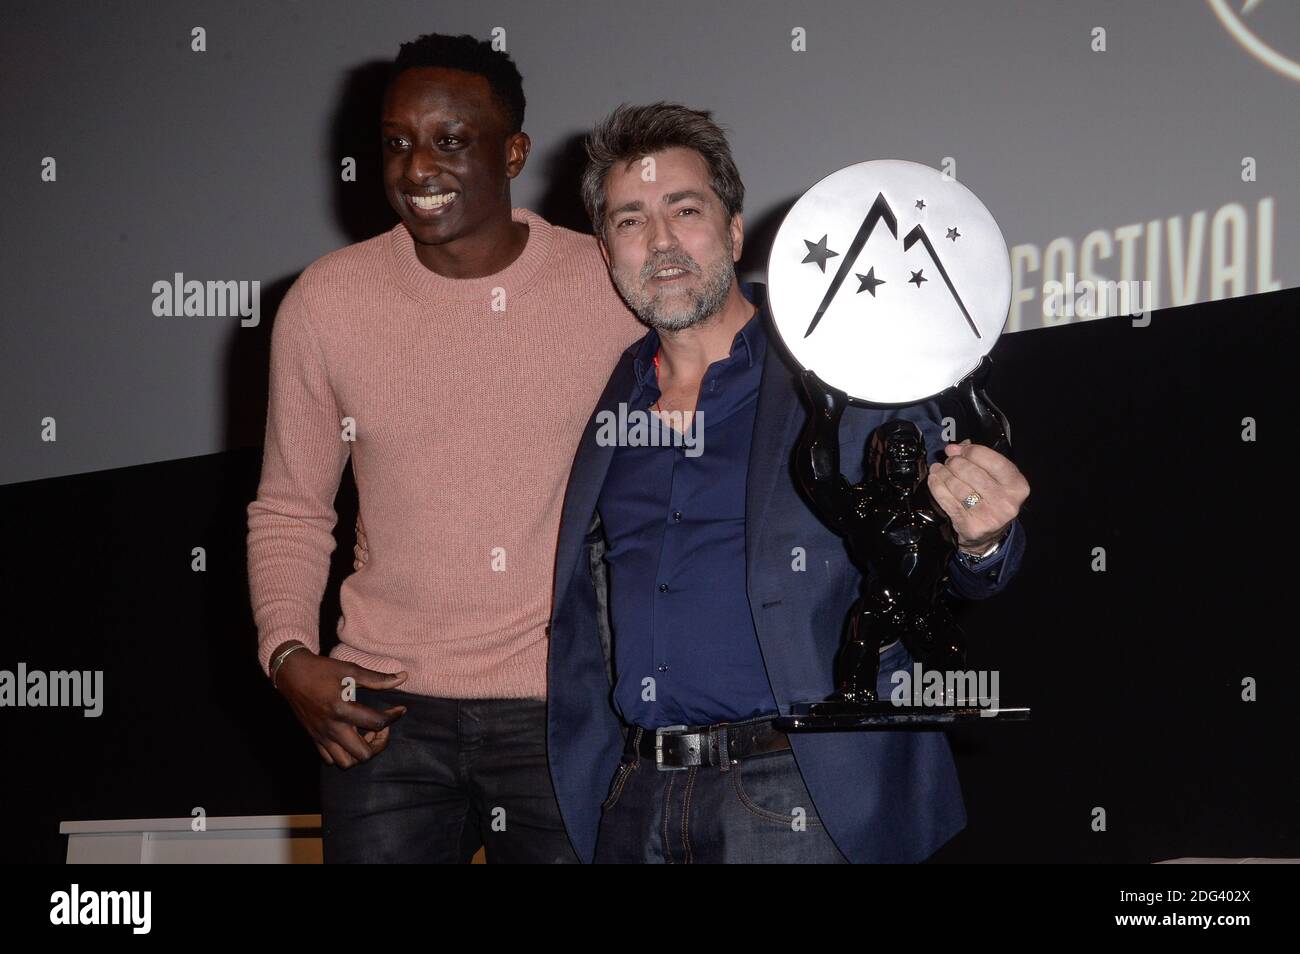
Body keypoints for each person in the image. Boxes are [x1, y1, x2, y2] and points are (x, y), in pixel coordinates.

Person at [545, 102, 1031, 863]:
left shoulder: (848, 369)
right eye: (630, 220)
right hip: (634, 794)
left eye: (685, 210)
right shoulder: (610, 399)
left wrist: (985, 536)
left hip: (797, 785)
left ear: (735, 231)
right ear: (606, 251)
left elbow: (961, 560)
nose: (663, 241)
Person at [246, 33, 642, 863]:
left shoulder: (607, 285)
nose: (417, 169)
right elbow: (291, 507)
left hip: (563, 707)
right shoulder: (326, 303)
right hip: (382, 716)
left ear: (514, 152)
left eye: (451, 141)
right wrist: (287, 655)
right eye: (396, 143)